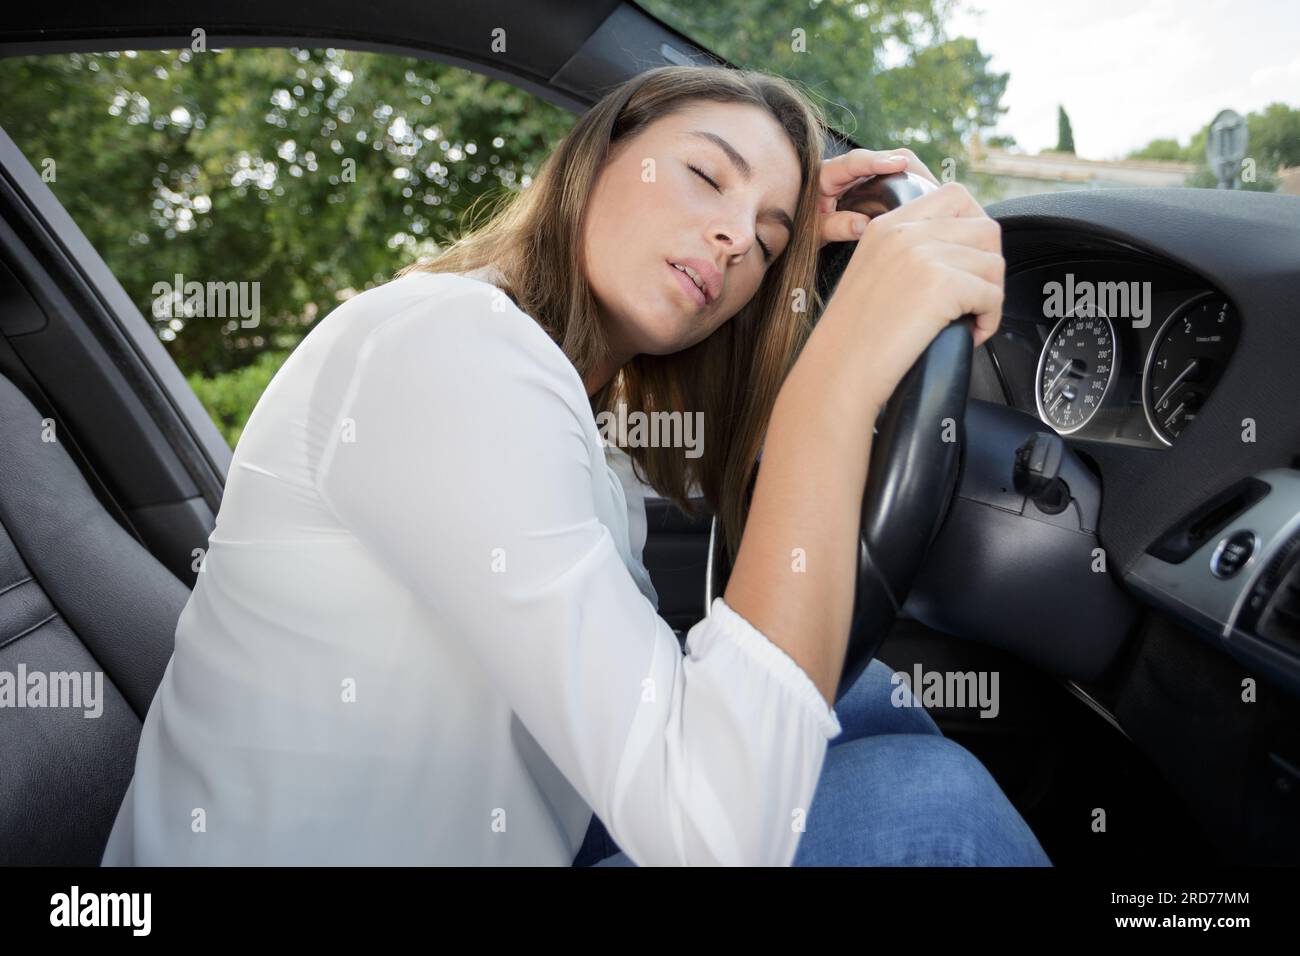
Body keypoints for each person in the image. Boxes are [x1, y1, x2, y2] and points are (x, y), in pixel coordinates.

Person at [102, 64, 1048, 866]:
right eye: (704, 176)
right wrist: (840, 374)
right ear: (597, 159)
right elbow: (712, 832)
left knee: (868, 699)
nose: (733, 237)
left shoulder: (574, 407)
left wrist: (808, 273)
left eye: (765, 240)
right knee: (931, 804)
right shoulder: (448, 348)